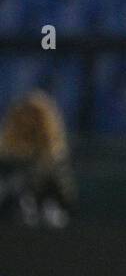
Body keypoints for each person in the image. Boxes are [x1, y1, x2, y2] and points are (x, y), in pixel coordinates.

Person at [0, 90, 75, 227]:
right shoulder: (4, 162)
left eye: (36, 120)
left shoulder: (54, 165)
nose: (29, 124)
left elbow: (64, 203)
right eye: (23, 119)